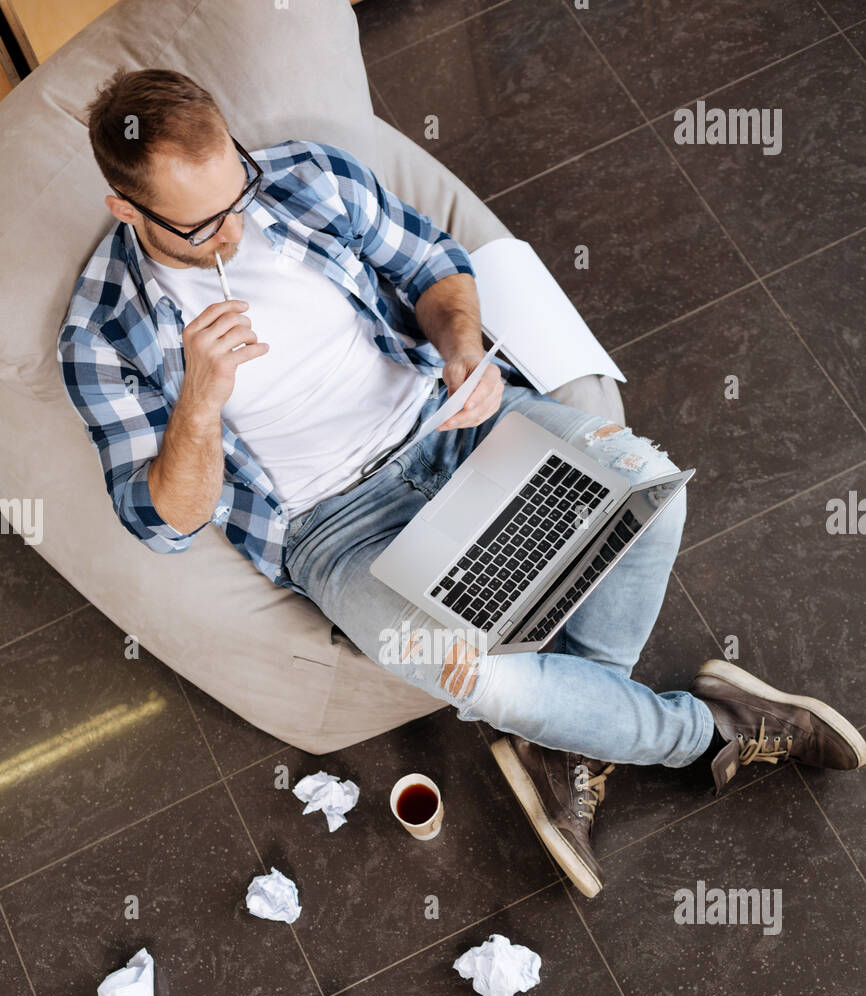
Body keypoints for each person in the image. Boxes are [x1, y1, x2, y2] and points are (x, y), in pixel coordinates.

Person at [58, 69, 865, 899]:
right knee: (472, 672)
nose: (234, 231)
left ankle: (569, 739)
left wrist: (461, 353)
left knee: (649, 488)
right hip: (333, 529)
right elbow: (166, 522)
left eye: (240, 195)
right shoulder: (100, 333)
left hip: (451, 422)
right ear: (130, 211)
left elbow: (437, 268)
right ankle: (711, 733)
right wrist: (198, 399)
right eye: (204, 226)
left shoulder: (303, 177)